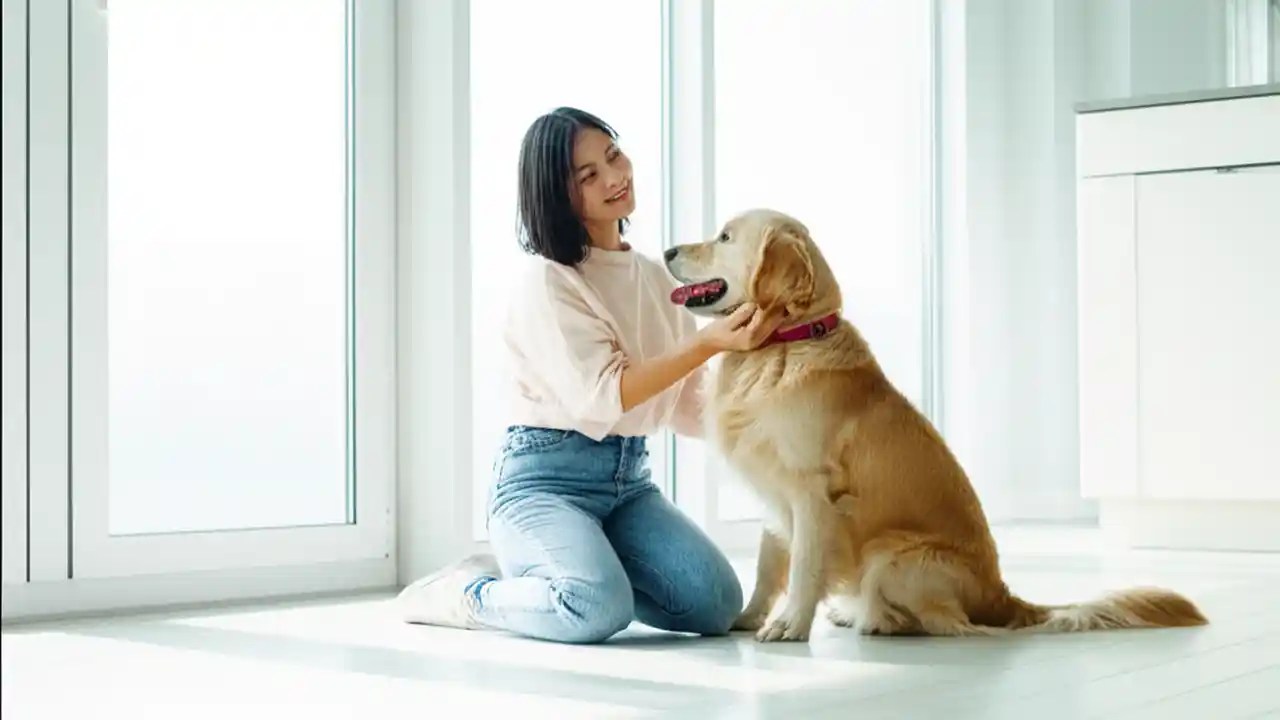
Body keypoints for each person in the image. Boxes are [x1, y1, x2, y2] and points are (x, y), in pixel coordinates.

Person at [397, 107, 782, 644]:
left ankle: (576, 563)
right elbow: (606, 396)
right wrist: (707, 342)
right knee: (594, 609)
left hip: (629, 487)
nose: (615, 176)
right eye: (589, 175)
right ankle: (468, 593)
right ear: (561, 196)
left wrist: (777, 421)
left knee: (716, 605)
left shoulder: (652, 277)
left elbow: (689, 406)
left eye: (613, 155)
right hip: (543, 483)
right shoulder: (550, 284)